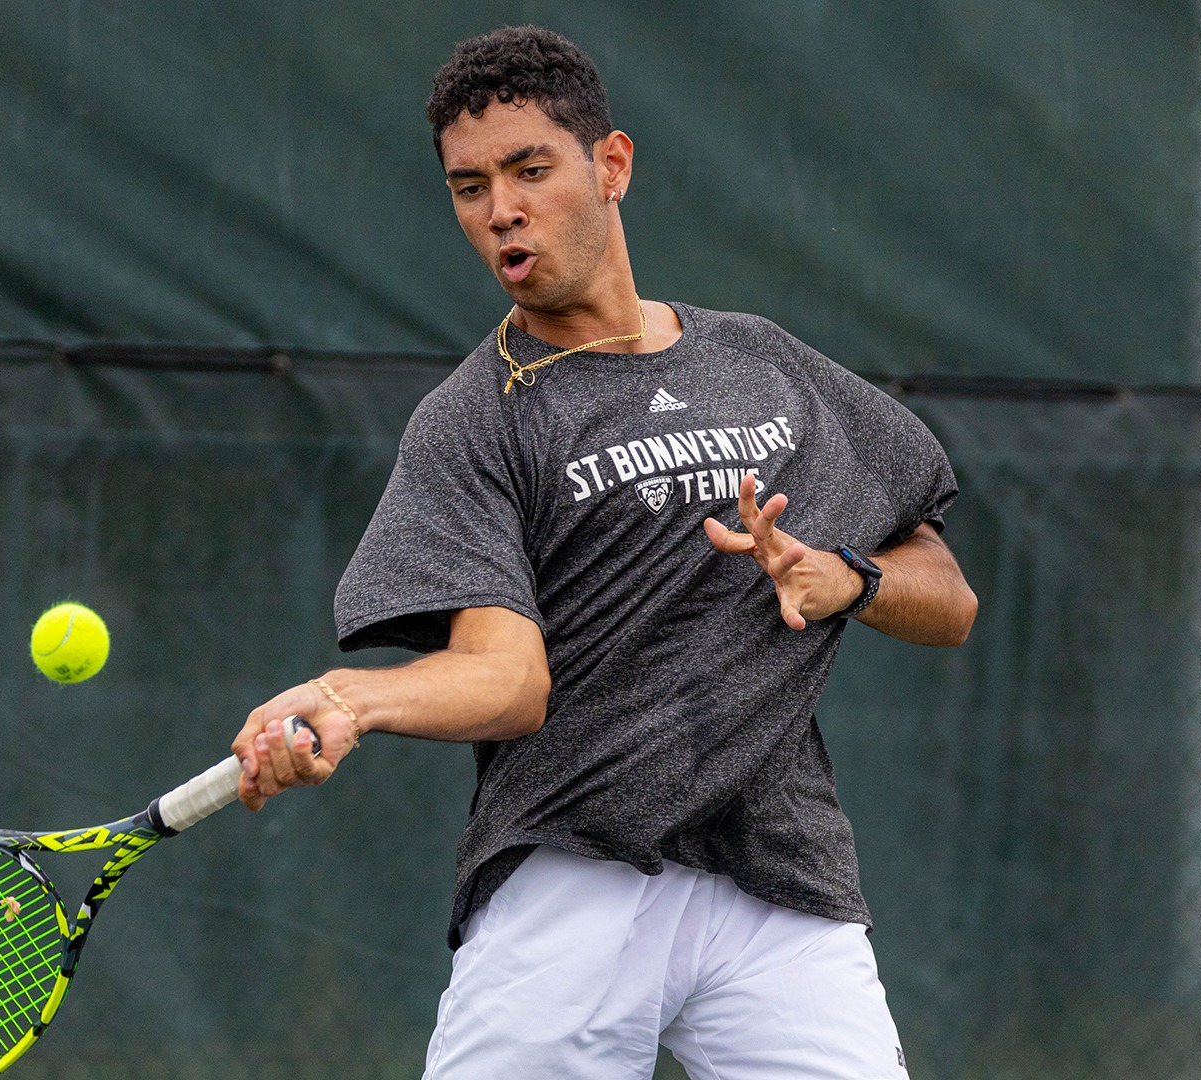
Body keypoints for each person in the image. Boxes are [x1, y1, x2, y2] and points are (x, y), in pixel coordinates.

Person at [229, 25, 978, 1080]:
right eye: (469, 186)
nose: (501, 211)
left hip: (782, 876)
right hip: (574, 878)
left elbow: (948, 598)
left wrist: (847, 579)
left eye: (530, 170)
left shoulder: (763, 362)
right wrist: (354, 698)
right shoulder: (474, 421)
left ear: (612, 165)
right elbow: (509, 675)